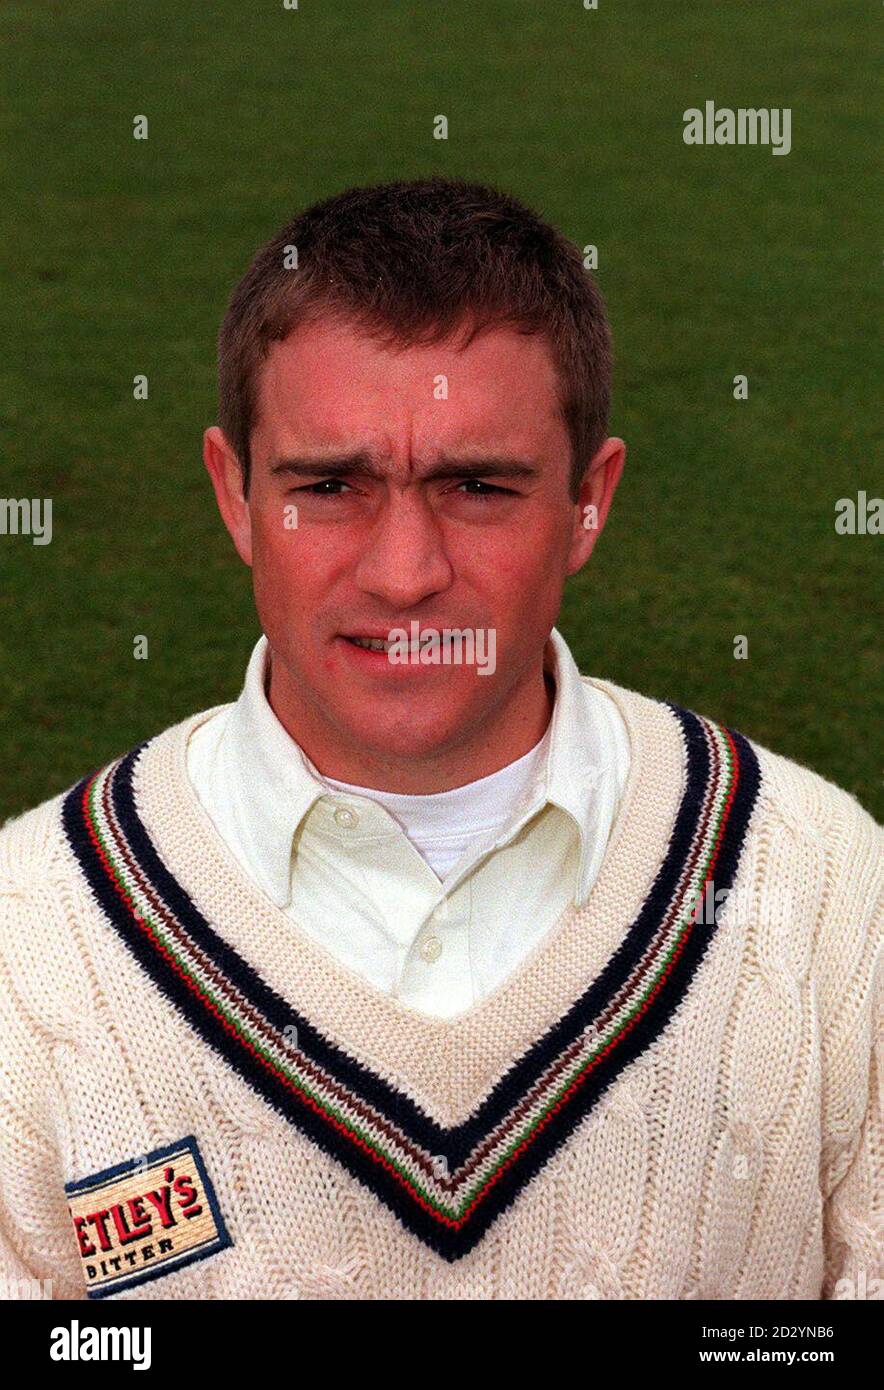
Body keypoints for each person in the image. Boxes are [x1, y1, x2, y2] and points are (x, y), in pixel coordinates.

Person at [0, 178, 880, 1301]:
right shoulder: (28, 944)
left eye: (476, 486)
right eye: (327, 485)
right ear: (232, 495)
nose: (404, 573)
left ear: (585, 502)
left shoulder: (819, 886)